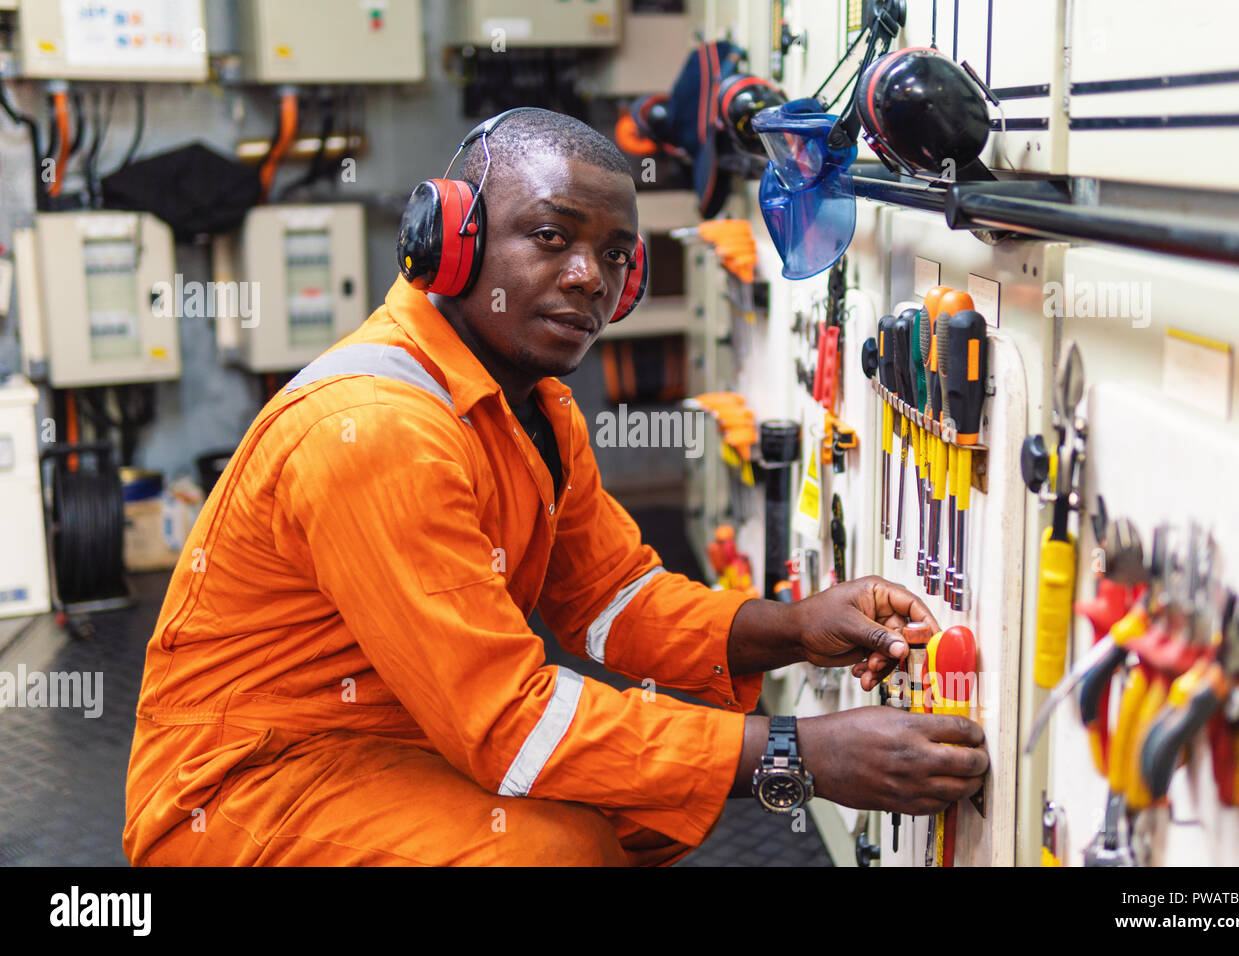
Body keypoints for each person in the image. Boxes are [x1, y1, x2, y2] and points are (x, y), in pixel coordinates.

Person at [123, 108, 987, 866]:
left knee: (641, 800)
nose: (590, 277)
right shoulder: (378, 430)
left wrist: (793, 627)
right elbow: (505, 720)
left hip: (393, 736)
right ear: (450, 242)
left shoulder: (532, 408)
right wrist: (804, 756)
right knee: (551, 852)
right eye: (550, 237)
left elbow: (613, 597)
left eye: (616, 255)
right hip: (242, 790)